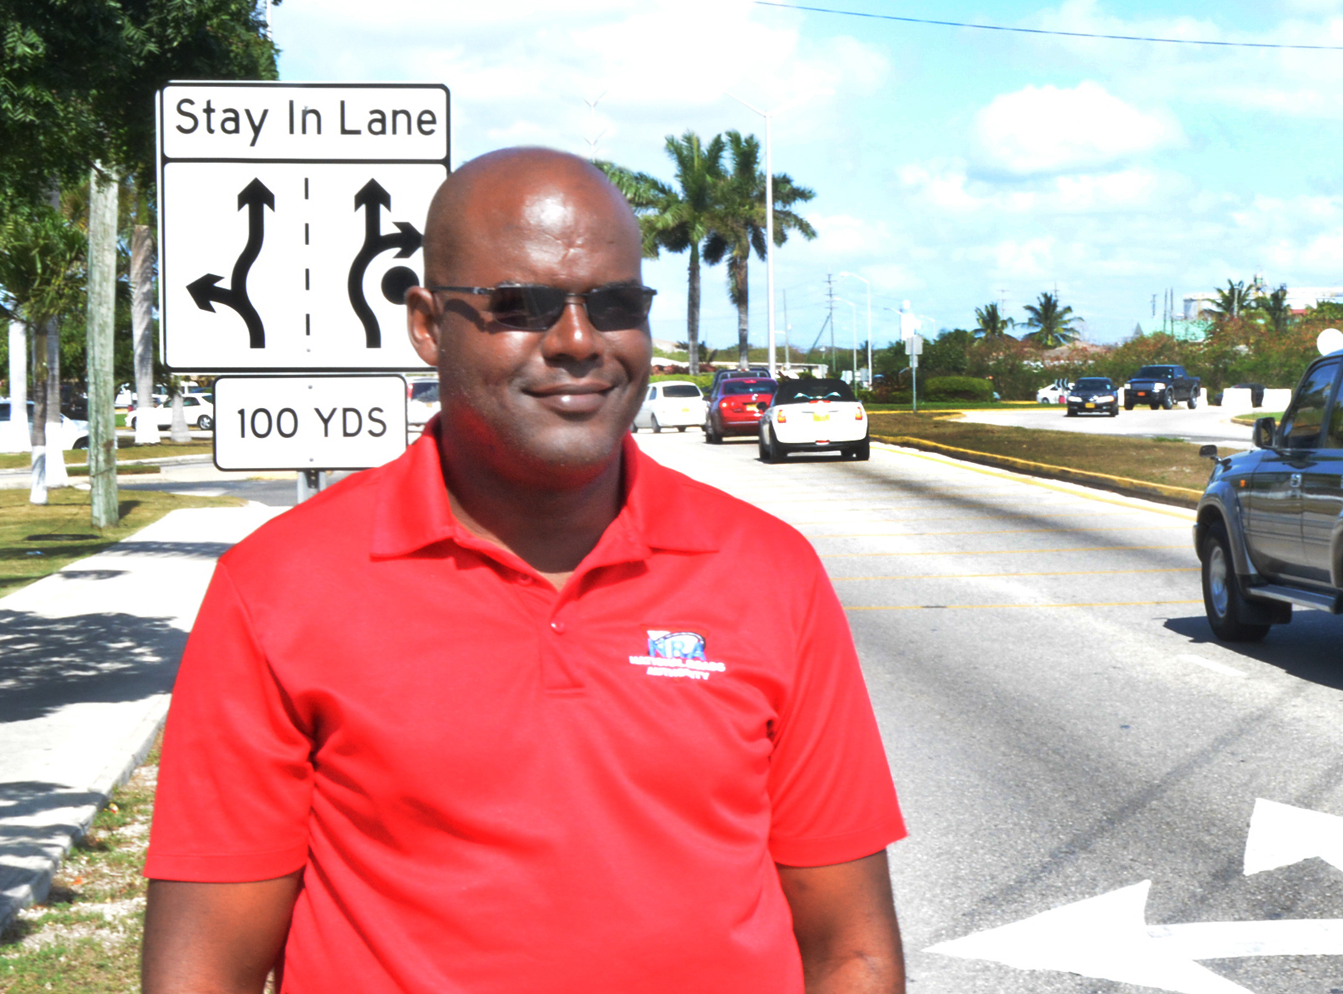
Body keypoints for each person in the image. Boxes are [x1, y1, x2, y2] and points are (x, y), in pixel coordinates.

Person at [141, 147, 907, 994]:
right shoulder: (279, 587)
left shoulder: (770, 572)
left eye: (614, 304)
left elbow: (852, 949)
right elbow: (203, 968)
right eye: (520, 306)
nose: (577, 341)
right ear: (428, 325)